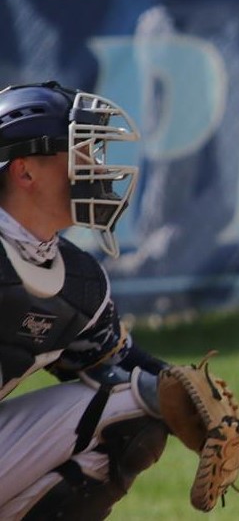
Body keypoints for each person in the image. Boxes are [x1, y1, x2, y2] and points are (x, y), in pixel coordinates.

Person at [0, 83, 172, 516]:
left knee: (139, 402)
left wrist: (186, 392)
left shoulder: (79, 281)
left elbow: (118, 366)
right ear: (24, 172)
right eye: (79, 153)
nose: (95, 168)